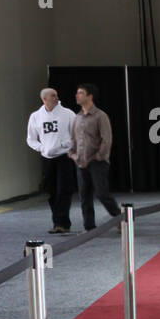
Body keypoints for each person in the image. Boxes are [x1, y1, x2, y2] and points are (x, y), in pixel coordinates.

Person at [69, 83, 121, 230]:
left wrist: (99, 156)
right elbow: (73, 138)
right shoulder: (77, 117)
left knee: (101, 193)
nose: (77, 95)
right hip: (80, 161)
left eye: (80, 93)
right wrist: (73, 154)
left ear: (89, 96)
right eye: (77, 93)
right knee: (84, 196)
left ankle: (120, 219)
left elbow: (106, 139)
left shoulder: (100, 116)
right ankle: (89, 226)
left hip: (97, 161)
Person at [26, 88, 78, 233]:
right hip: (47, 158)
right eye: (52, 96)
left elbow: (76, 133)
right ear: (44, 99)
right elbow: (30, 139)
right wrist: (42, 148)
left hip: (64, 157)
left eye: (56, 95)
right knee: (51, 191)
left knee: (64, 189)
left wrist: (65, 144)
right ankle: (57, 222)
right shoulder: (36, 116)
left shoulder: (67, 114)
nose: (56, 97)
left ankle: (63, 222)